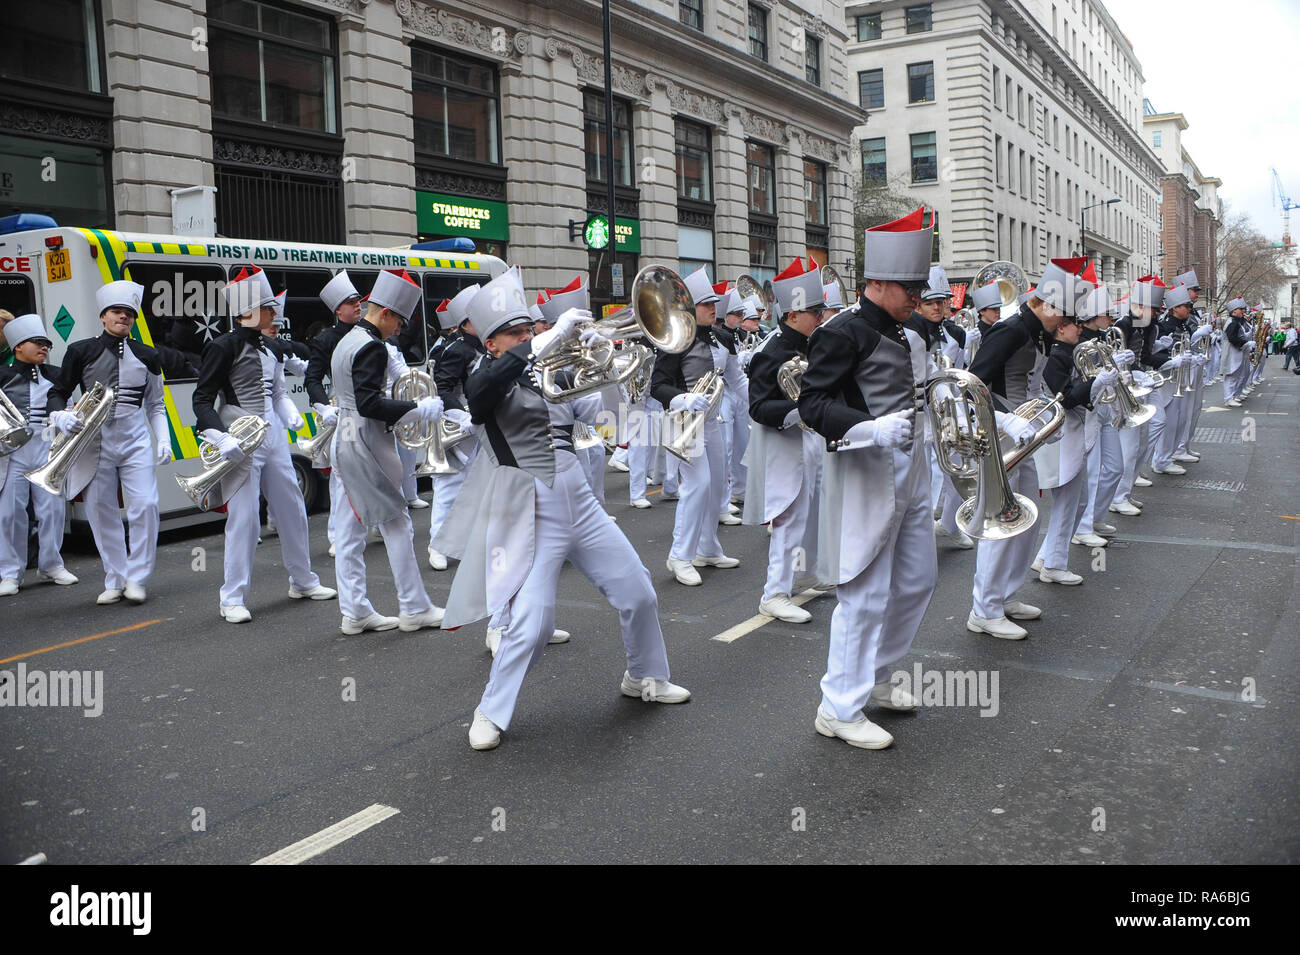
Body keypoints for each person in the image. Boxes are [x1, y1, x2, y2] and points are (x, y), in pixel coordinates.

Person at [432, 268, 689, 750]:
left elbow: (608, 421)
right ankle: (490, 710)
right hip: (531, 507)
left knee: (639, 594)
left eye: (530, 327)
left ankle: (644, 677)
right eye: (516, 331)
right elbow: (484, 397)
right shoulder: (483, 375)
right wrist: (546, 340)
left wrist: (619, 367)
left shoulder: (554, 372)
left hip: (581, 502)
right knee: (531, 622)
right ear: (491, 343)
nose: (527, 336)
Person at [797, 207, 936, 750]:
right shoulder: (840, 332)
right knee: (864, 593)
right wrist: (868, 429)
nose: (917, 297)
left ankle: (873, 674)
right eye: (909, 287)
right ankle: (837, 706)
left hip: (914, 473)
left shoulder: (911, 334)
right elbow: (812, 405)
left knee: (919, 580)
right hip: (864, 471)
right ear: (877, 283)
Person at [192, 267, 336, 623]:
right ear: (252, 309)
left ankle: (303, 579)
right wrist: (218, 435)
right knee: (244, 519)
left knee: (291, 507)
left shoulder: (270, 346)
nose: (275, 313)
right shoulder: (223, 345)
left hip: (271, 434)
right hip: (239, 433)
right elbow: (201, 398)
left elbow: (278, 391)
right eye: (269, 307)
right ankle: (232, 596)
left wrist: (288, 414)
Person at [964, 258, 1087, 639]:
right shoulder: (1010, 330)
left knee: (1024, 518)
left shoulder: (1035, 332)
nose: (1065, 323)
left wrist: (1039, 421)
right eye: (1062, 314)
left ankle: (1005, 595)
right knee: (1000, 522)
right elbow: (971, 384)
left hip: (1024, 435)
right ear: (1047, 305)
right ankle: (984, 609)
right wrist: (1008, 420)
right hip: (1002, 435)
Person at [330, 269, 445, 635]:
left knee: (349, 533)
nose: (399, 328)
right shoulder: (371, 346)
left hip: (344, 439)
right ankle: (413, 606)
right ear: (384, 313)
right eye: (398, 320)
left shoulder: (346, 340)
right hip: (367, 442)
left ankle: (355, 612)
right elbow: (368, 403)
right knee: (397, 522)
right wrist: (416, 409)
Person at [51, 281, 168, 605]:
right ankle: (115, 577)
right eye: (117, 312)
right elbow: (58, 390)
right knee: (101, 510)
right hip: (93, 440)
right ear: (103, 316)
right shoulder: (81, 350)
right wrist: (59, 415)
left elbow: (156, 404)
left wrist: (164, 439)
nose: (124, 317)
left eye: (129, 313)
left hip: (135, 439)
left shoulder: (148, 354)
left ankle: (138, 577)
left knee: (145, 504)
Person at [743, 258, 825, 623]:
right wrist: (801, 409)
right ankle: (774, 593)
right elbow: (758, 407)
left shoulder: (811, 342)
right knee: (789, 518)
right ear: (793, 314)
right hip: (780, 444)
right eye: (814, 311)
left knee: (811, 513)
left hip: (808, 441)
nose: (821, 317)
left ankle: (807, 574)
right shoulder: (771, 351)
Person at [650, 267, 739, 586]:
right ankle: (680, 555)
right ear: (689, 308)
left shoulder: (723, 337)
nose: (713, 308)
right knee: (698, 486)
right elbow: (656, 386)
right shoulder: (676, 341)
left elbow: (736, 380)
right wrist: (683, 398)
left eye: (713, 302)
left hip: (712, 422)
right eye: (705, 304)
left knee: (716, 487)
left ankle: (707, 549)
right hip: (681, 423)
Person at [1030, 280, 1114, 585]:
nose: (1080, 329)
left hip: (1074, 433)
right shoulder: (1057, 355)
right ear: (1060, 327)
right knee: (1068, 502)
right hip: (1062, 436)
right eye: (1074, 324)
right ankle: (1053, 563)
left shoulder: (1069, 351)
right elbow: (1064, 397)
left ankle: (1046, 556)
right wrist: (1096, 384)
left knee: (1076, 502)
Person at [0, 314, 78, 595]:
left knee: (53, 510)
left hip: (48, 447)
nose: (44, 347)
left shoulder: (57, 374)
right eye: (37, 342)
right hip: (12, 452)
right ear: (18, 346)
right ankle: (10, 572)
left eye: (46, 343)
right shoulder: (2, 375)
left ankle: (51, 564)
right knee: (9, 514)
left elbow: (69, 406)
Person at [428, 282, 485, 570]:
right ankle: (437, 544)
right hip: (457, 427)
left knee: (479, 487)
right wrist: (463, 417)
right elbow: (442, 388)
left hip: (481, 423)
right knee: (449, 487)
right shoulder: (457, 349)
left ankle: (466, 541)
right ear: (467, 322)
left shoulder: (484, 346)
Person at [307, 271, 363, 558]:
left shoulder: (368, 332)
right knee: (343, 475)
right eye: (350, 302)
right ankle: (337, 535)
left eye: (358, 300)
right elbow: (312, 379)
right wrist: (322, 406)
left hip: (373, 410)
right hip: (347, 414)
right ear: (337, 310)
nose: (357, 305)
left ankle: (373, 523)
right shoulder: (326, 339)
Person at [1222, 299, 1253, 406]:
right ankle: (1228, 398)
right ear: (1234, 311)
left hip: (1235, 351)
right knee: (1231, 375)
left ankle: (1234, 395)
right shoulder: (1232, 322)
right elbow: (1232, 338)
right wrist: (1245, 343)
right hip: (1231, 351)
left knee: (1237, 374)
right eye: (1241, 309)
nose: (1243, 311)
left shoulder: (1236, 322)